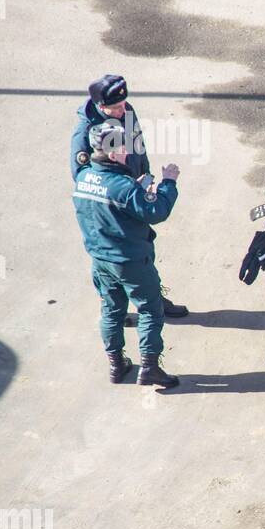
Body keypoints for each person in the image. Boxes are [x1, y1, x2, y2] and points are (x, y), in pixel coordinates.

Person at [73, 120, 182, 389]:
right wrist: (168, 183)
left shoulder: (84, 178)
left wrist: (135, 188)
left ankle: (116, 365)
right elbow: (156, 212)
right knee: (150, 310)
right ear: (111, 153)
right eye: (122, 148)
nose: (127, 152)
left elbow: (108, 209)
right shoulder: (122, 187)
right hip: (130, 261)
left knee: (111, 310)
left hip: (100, 260)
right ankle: (150, 367)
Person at [70, 74, 188, 321]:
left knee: (143, 249)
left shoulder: (125, 112)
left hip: (132, 190)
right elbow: (80, 172)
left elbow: (137, 147)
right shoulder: (86, 129)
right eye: (116, 107)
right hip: (110, 203)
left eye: (124, 104)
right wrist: (119, 189)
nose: (123, 110)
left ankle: (152, 294)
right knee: (113, 258)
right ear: (101, 107)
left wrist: (145, 178)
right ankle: (117, 310)